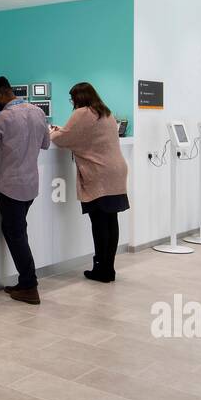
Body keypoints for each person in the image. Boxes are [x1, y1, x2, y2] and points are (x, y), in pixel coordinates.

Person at [0, 76, 50, 304]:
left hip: (10, 186)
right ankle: (25, 281)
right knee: (18, 232)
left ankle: (29, 285)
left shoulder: (3, 117)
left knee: (16, 235)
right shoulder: (37, 112)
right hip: (30, 185)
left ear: (0, 93)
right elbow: (45, 143)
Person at [50, 83, 129, 282]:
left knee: (99, 223)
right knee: (111, 221)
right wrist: (63, 131)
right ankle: (108, 269)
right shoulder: (106, 112)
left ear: (79, 97)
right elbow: (84, 135)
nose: (72, 103)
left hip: (99, 173)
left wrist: (53, 132)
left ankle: (101, 270)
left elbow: (63, 139)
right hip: (116, 171)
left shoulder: (83, 112)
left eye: (72, 99)